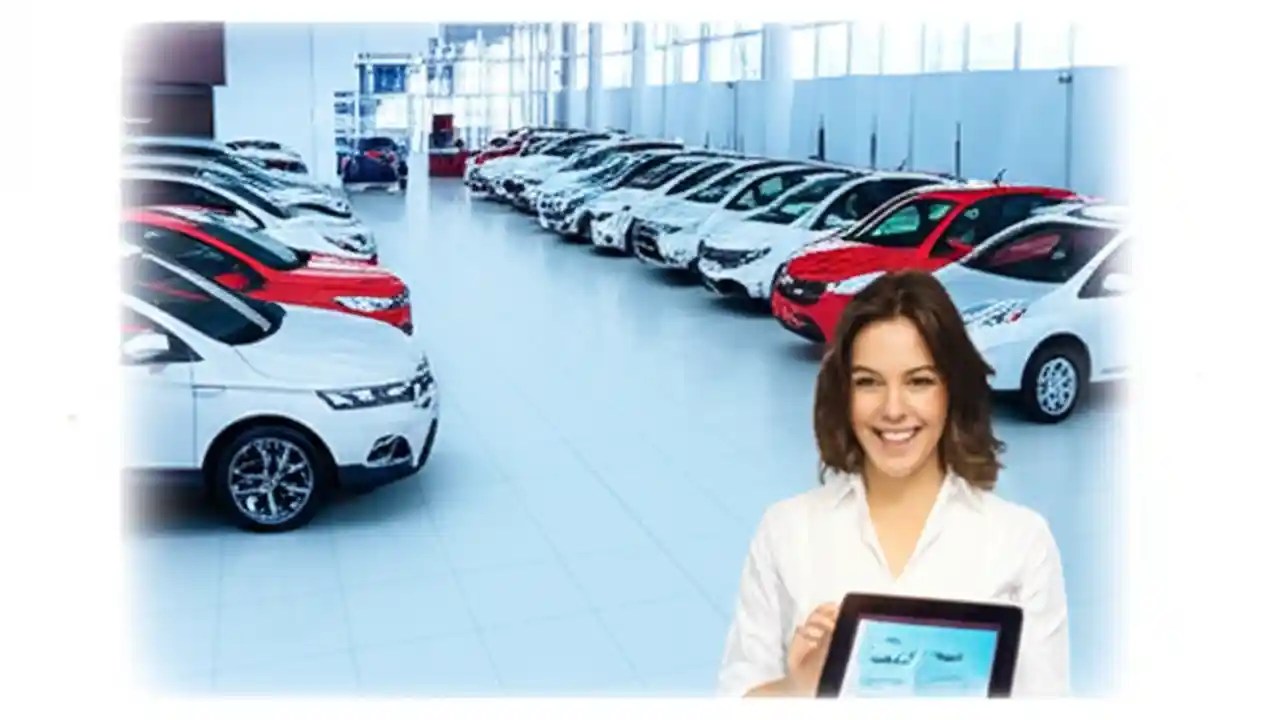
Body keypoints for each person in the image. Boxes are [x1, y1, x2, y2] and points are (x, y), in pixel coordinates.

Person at [717, 270, 1070, 698]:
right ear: (843, 394)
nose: (893, 409)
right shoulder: (786, 530)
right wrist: (799, 687)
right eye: (869, 382)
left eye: (919, 381)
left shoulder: (1021, 544)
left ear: (952, 391)